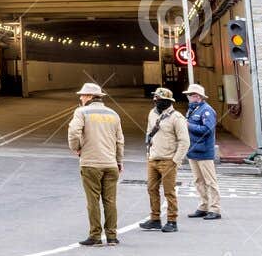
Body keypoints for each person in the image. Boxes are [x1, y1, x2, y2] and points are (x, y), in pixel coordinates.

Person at [66, 81, 125, 246]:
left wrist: (76, 148)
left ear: (90, 96)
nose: (81, 98)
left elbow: (73, 132)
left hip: (90, 163)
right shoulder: (113, 114)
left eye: (83, 95)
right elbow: (120, 141)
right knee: (110, 201)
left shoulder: (81, 112)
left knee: (93, 201)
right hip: (111, 164)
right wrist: (119, 161)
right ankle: (112, 236)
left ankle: (95, 236)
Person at [139, 86, 189, 232]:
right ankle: (155, 219)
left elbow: (184, 141)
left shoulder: (177, 117)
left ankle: (172, 221)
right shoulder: (152, 114)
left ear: (167, 101)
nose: (155, 101)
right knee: (151, 189)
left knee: (169, 192)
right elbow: (149, 133)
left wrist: (176, 160)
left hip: (168, 160)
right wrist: (149, 153)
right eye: (155, 98)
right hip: (153, 158)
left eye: (159, 99)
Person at [184, 82, 221, 219]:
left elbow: (208, 130)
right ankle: (204, 206)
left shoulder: (207, 110)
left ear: (198, 96)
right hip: (193, 150)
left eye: (190, 95)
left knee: (210, 181)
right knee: (198, 180)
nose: (188, 97)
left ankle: (215, 209)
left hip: (204, 151)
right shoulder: (192, 110)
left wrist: (189, 125)